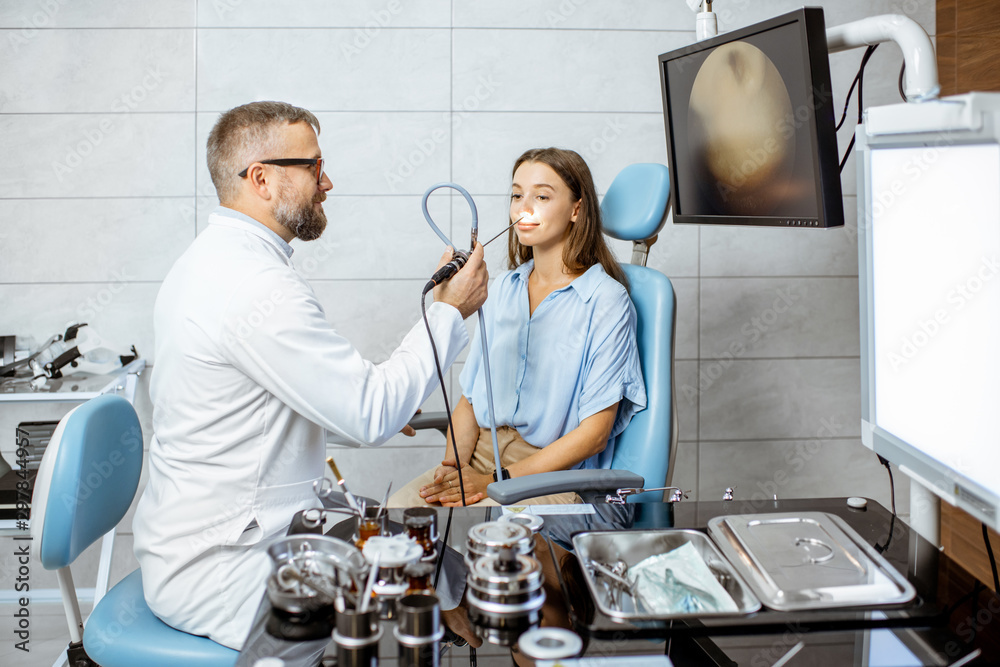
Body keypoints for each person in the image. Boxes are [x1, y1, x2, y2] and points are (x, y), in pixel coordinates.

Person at [131, 101, 488, 650]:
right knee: (432, 574)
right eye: (314, 166)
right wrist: (448, 312)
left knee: (434, 561)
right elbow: (370, 413)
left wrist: (357, 409)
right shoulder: (253, 285)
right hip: (224, 570)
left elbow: (266, 405)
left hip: (215, 540)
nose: (328, 182)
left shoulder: (214, 261)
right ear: (261, 179)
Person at [390, 147, 646, 508]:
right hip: (479, 457)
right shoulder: (503, 289)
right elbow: (470, 401)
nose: (523, 208)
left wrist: (492, 483)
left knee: (485, 536)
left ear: (576, 209)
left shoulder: (605, 300)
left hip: (549, 474)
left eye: (542, 196)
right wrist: (454, 470)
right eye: (516, 196)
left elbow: (593, 436)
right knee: (397, 518)